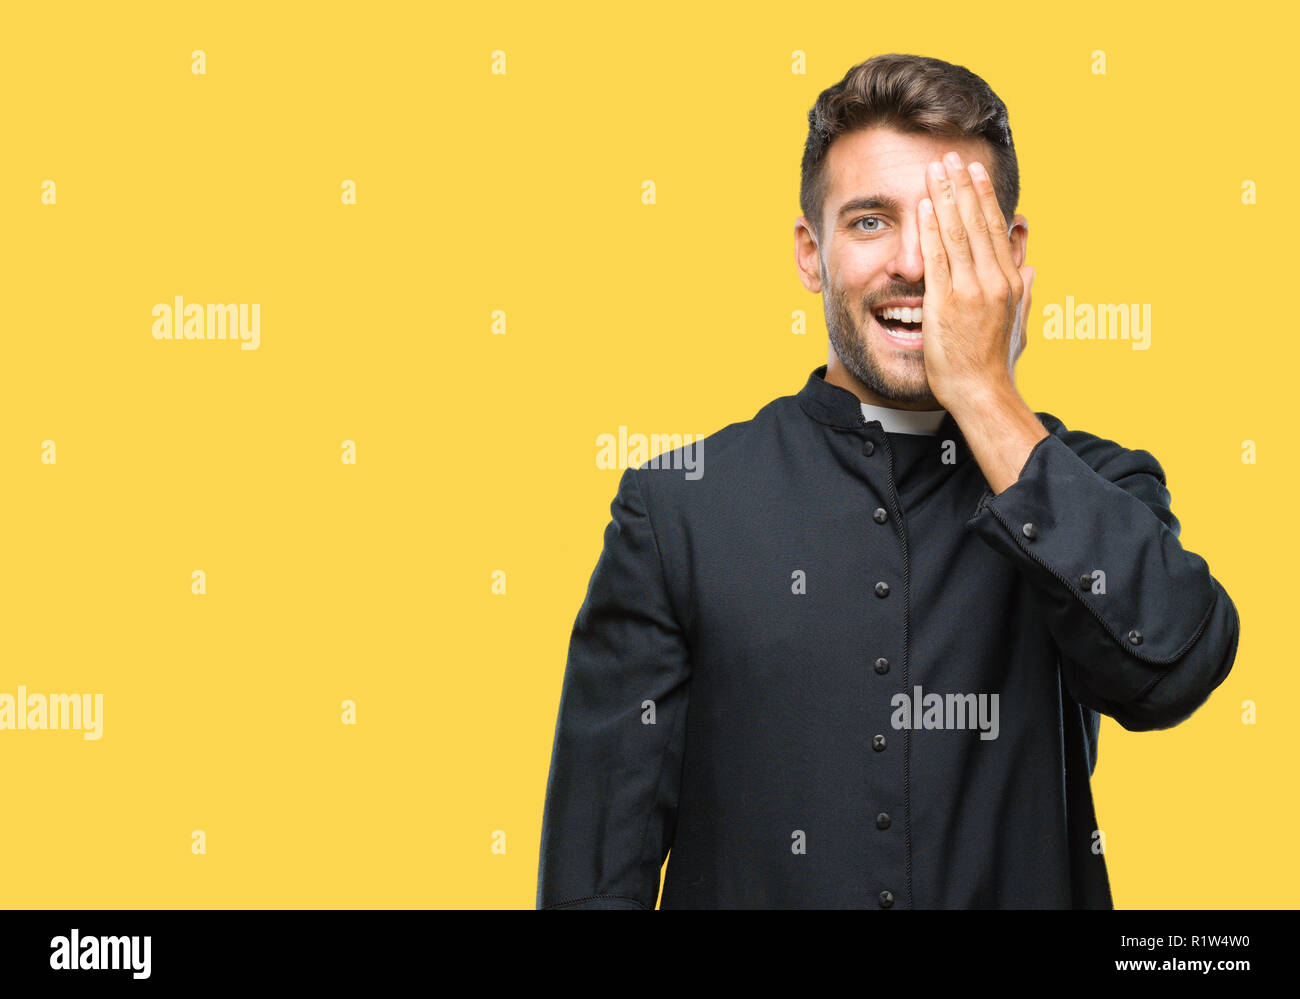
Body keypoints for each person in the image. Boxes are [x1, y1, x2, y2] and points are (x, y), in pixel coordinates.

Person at [536, 53, 1240, 909]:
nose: (913, 263)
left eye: (951, 224)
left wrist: (984, 390)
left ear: (1010, 256)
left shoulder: (1095, 483)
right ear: (810, 252)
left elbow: (1172, 667)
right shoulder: (676, 508)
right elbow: (592, 880)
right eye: (870, 222)